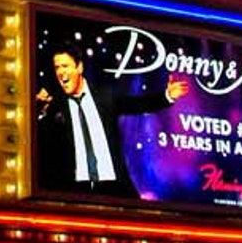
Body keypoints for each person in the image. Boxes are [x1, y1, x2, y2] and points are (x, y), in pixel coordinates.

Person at [36, 40, 189, 195]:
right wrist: (38, 111)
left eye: (65, 66)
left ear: (79, 67)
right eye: (57, 68)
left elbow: (137, 104)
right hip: (77, 192)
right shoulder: (56, 106)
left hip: (114, 188)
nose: (61, 73)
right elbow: (42, 147)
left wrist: (167, 95)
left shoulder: (105, 97)